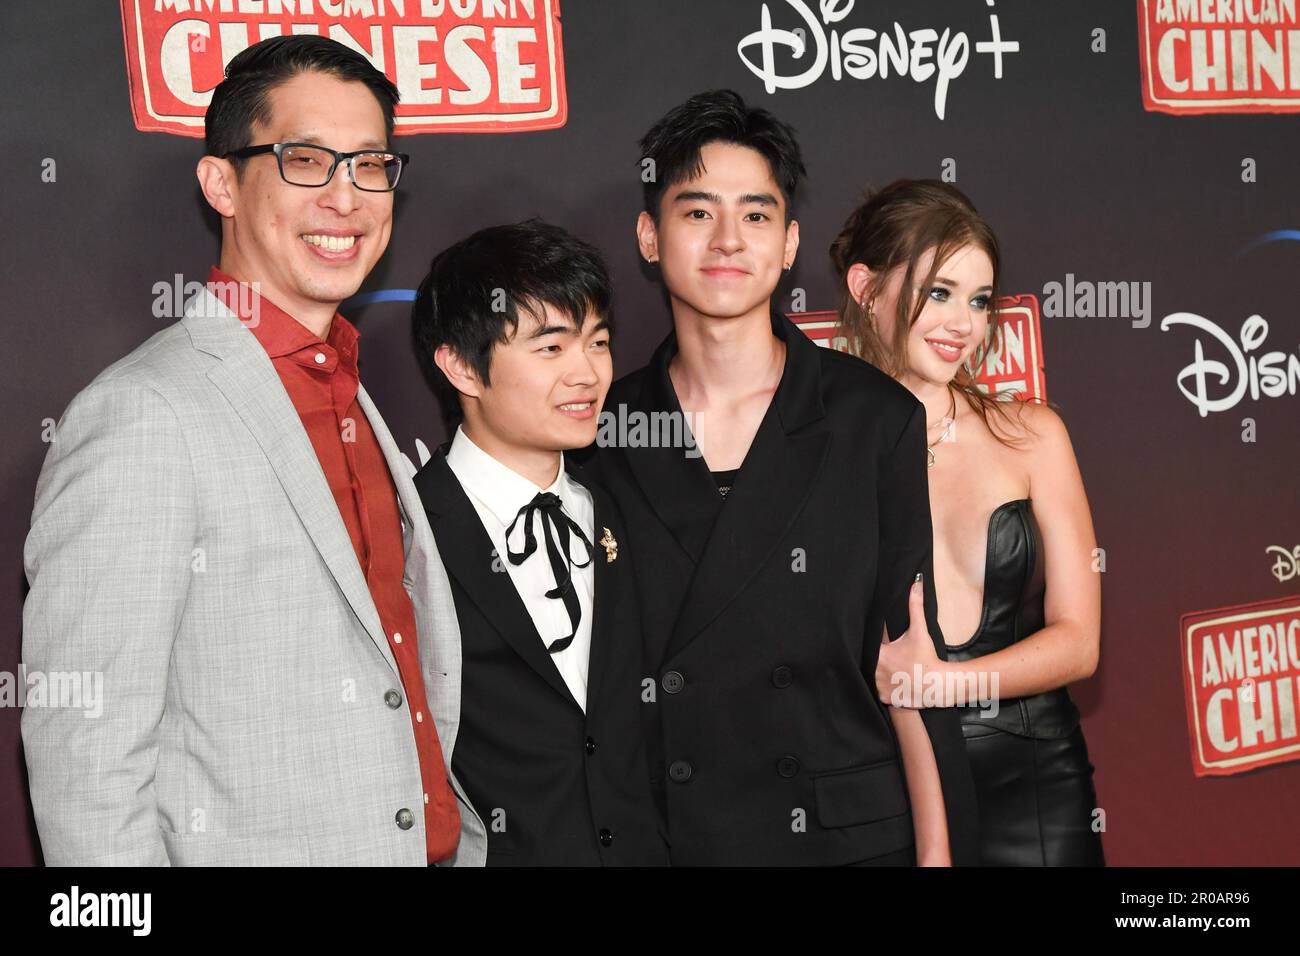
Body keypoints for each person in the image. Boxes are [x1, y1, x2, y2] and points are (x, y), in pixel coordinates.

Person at [20, 35, 486, 866]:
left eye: (371, 165)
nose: (346, 198)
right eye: (306, 160)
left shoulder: (351, 393)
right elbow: (86, 759)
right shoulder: (143, 414)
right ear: (221, 182)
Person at [582, 90, 980, 866]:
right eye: (697, 213)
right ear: (649, 237)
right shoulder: (598, 425)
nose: (729, 239)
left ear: (790, 242)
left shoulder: (872, 419)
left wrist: (941, 857)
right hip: (672, 840)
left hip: (845, 838)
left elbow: (910, 662)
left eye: (756, 215)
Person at [831, 178, 1105, 866]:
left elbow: (1078, 645)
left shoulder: (1033, 434)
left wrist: (947, 683)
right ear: (866, 288)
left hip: (1038, 775)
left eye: (979, 301)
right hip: (885, 786)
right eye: (940, 293)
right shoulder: (823, 454)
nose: (963, 323)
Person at [409, 220, 668, 865]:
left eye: (599, 342)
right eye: (551, 348)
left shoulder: (629, 509)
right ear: (462, 366)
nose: (588, 374)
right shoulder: (408, 532)